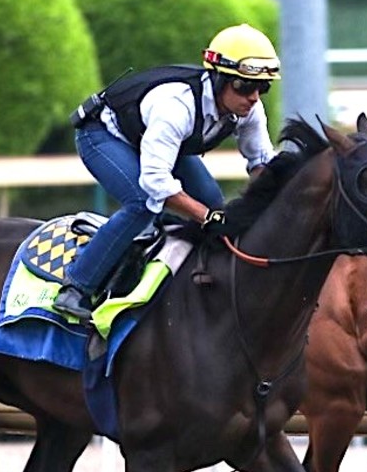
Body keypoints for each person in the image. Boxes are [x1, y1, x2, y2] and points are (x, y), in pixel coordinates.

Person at [53, 23, 281, 322]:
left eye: (263, 87)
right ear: (218, 79)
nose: (253, 97)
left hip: (153, 142)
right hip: (103, 135)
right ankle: (76, 287)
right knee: (142, 203)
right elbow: (156, 181)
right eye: (244, 86)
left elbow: (261, 162)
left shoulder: (250, 110)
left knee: (213, 201)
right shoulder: (177, 106)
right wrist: (208, 218)